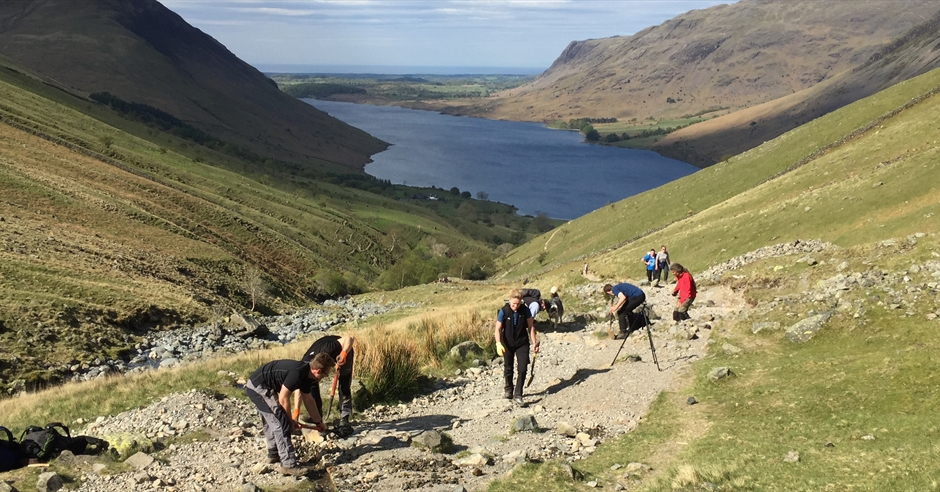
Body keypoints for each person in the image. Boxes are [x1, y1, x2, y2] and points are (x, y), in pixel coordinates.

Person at [244, 353, 335, 476]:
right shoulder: (297, 374)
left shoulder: (307, 376)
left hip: (262, 385)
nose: (325, 377)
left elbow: (308, 400)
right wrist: (289, 420)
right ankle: (288, 465)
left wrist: (318, 422)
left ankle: (274, 453)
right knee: (281, 424)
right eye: (325, 374)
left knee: (272, 419)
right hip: (257, 387)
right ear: (318, 370)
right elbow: (283, 399)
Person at [294, 334, 356, 430]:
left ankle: (344, 417)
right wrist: (296, 411)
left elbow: (350, 338)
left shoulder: (329, 347)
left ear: (320, 370)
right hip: (321, 351)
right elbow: (300, 387)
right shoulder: (304, 366)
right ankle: (316, 416)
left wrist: (343, 354)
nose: (322, 378)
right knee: (311, 384)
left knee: (344, 383)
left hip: (344, 348)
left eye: (324, 375)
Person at [494, 289, 539, 405]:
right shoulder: (504, 311)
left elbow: (531, 327)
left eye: (518, 304)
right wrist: (498, 343)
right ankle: (508, 389)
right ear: (510, 301)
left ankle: (518, 394)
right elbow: (497, 329)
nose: (515, 306)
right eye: (513, 304)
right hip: (507, 343)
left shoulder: (525, 311)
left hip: (522, 343)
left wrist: (534, 343)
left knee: (522, 368)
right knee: (508, 367)